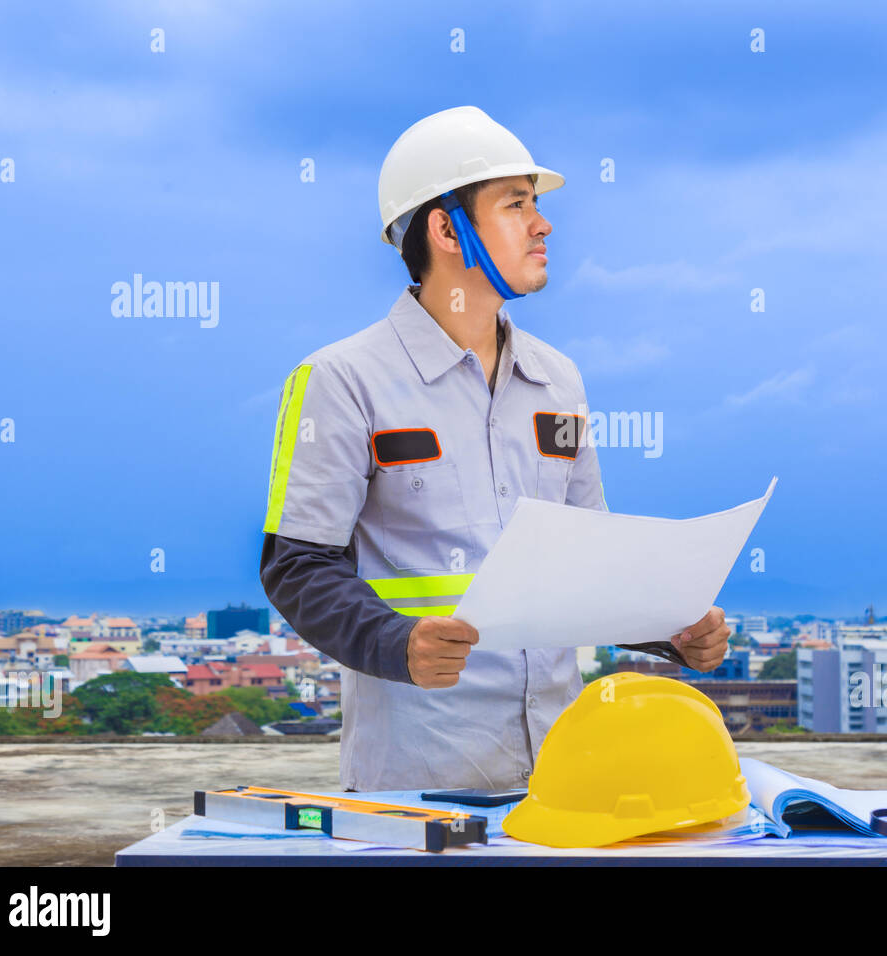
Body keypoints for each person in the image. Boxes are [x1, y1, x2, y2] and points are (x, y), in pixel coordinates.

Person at [258, 105, 731, 792]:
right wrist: (396, 644)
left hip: (563, 775)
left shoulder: (556, 380)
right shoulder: (340, 380)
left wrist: (670, 632)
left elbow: (590, 560)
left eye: (536, 205)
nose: (542, 225)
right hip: (420, 775)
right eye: (515, 205)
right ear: (446, 227)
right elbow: (297, 567)